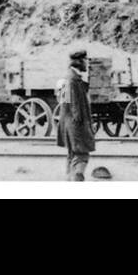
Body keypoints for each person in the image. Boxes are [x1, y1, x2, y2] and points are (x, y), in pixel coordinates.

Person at [56, 49, 97, 181]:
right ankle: (76, 179)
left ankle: (69, 179)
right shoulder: (73, 80)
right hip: (76, 125)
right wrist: (83, 124)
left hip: (67, 124)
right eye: (85, 60)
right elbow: (75, 108)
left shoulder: (66, 78)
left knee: (72, 155)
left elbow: (63, 103)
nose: (87, 63)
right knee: (82, 155)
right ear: (79, 62)